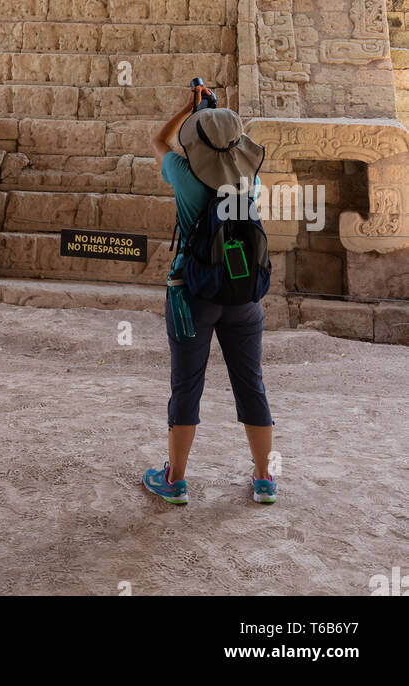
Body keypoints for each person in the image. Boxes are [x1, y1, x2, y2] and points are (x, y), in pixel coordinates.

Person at [142, 83, 276, 507]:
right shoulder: (250, 178)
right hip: (244, 297)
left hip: (191, 295)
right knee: (251, 385)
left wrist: (188, 107)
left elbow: (157, 141)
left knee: (186, 388)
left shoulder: (183, 173)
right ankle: (264, 478)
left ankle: (175, 480)